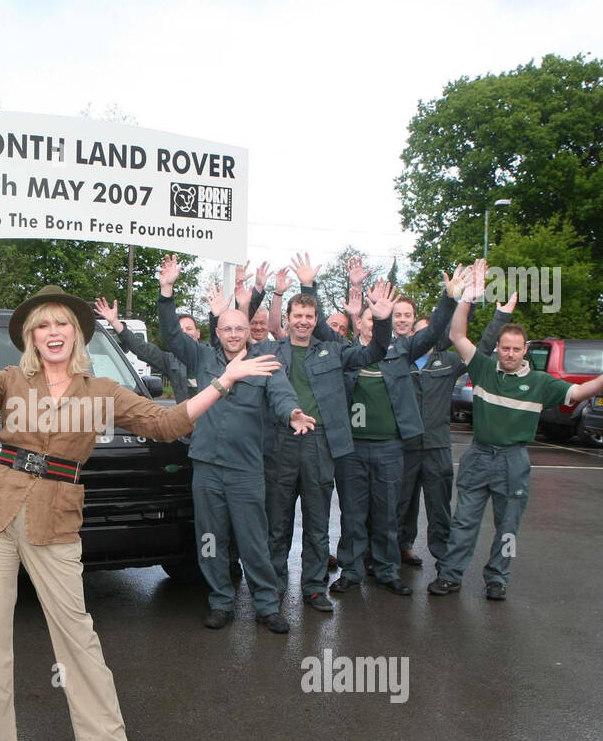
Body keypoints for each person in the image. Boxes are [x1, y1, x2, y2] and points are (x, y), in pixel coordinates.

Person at [0, 269, 284, 741]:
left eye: (62, 324)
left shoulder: (101, 391)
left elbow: (166, 423)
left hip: (55, 519)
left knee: (77, 634)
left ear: (77, 334)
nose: (53, 332)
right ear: (31, 337)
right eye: (42, 326)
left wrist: (222, 381)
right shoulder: (13, 381)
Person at [428, 300, 603, 600]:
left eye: (516, 349)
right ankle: (450, 576)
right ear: (497, 348)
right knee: (463, 521)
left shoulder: (540, 382)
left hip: (513, 461)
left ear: (525, 349)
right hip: (479, 456)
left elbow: (577, 392)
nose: (510, 354)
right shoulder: (483, 367)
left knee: (508, 527)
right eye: (505, 348)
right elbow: (458, 336)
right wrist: (465, 299)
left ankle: (497, 579)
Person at [159, 256, 318, 633]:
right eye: (226, 328)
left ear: (249, 331)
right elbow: (170, 333)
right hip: (207, 469)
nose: (232, 334)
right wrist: (167, 291)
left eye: (239, 328)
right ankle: (220, 600)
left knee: (253, 542)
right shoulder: (202, 358)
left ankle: (266, 604)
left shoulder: (265, 363)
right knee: (211, 539)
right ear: (218, 330)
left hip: (247, 471)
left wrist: (293, 414)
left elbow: (281, 397)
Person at [328, 269, 462, 598]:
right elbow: (313, 329)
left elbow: (432, 336)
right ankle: (351, 570)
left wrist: (450, 298)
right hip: (352, 450)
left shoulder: (401, 351)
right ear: (358, 322)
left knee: (389, 513)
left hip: (390, 448)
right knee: (353, 514)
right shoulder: (344, 354)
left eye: (380, 321)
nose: (374, 326)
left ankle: (387, 570)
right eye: (369, 320)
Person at [264, 288, 391, 614]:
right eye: (297, 316)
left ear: (316, 320)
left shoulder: (334, 351)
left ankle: (314, 587)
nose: (303, 321)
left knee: (317, 523)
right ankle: (274, 587)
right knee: (277, 523)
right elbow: (227, 346)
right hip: (281, 442)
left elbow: (375, 350)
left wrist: (382, 318)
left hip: (320, 444)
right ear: (288, 319)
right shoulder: (268, 351)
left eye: (309, 316)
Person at [397, 260, 511, 568]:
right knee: (401, 504)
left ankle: (443, 556)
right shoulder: (398, 362)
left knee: (439, 505)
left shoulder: (447, 362)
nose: (424, 338)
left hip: (436, 447)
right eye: (419, 333)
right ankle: (401, 547)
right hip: (404, 446)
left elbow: (483, 348)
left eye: (428, 333)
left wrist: (501, 316)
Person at [93, 297, 195, 399]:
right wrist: (115, 322)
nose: (185, 332)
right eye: (180, 330)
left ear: (198, 333)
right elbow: (141, 348)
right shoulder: (171, 362)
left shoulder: (210, 356)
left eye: (189, 328)